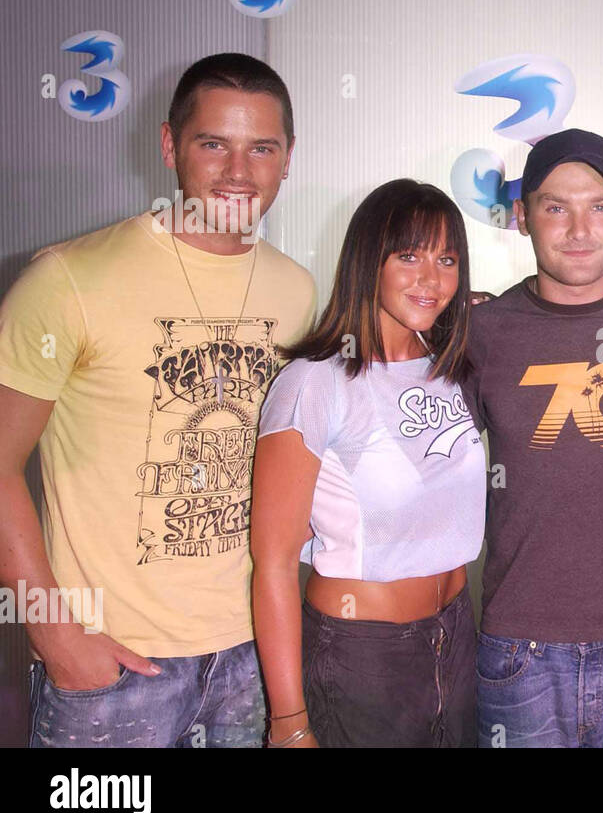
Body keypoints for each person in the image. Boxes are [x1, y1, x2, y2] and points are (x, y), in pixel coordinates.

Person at [0, 53, 315, 747]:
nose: (239, 171)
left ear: (288, 158)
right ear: (170, 145)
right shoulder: (69, 280)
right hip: (111, 668)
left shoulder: (298, 291)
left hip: (253, 652)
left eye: (261, 147)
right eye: (213, 144)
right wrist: (56, 635)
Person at [467, 128, 603, 748]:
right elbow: (426, 467)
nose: (579, 230)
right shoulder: (484, 332)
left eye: (600, 206)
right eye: (555, 207)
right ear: (520, 217)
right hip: (519, 647)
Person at [252, 179, 483, 748]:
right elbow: (274, 564)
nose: (431, 278)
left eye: (446, 258)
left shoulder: (449, 365)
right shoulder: (315, 381)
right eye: (408, 255)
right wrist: (288, 723)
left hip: (455, 636)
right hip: (361, 655)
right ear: (367, 260)